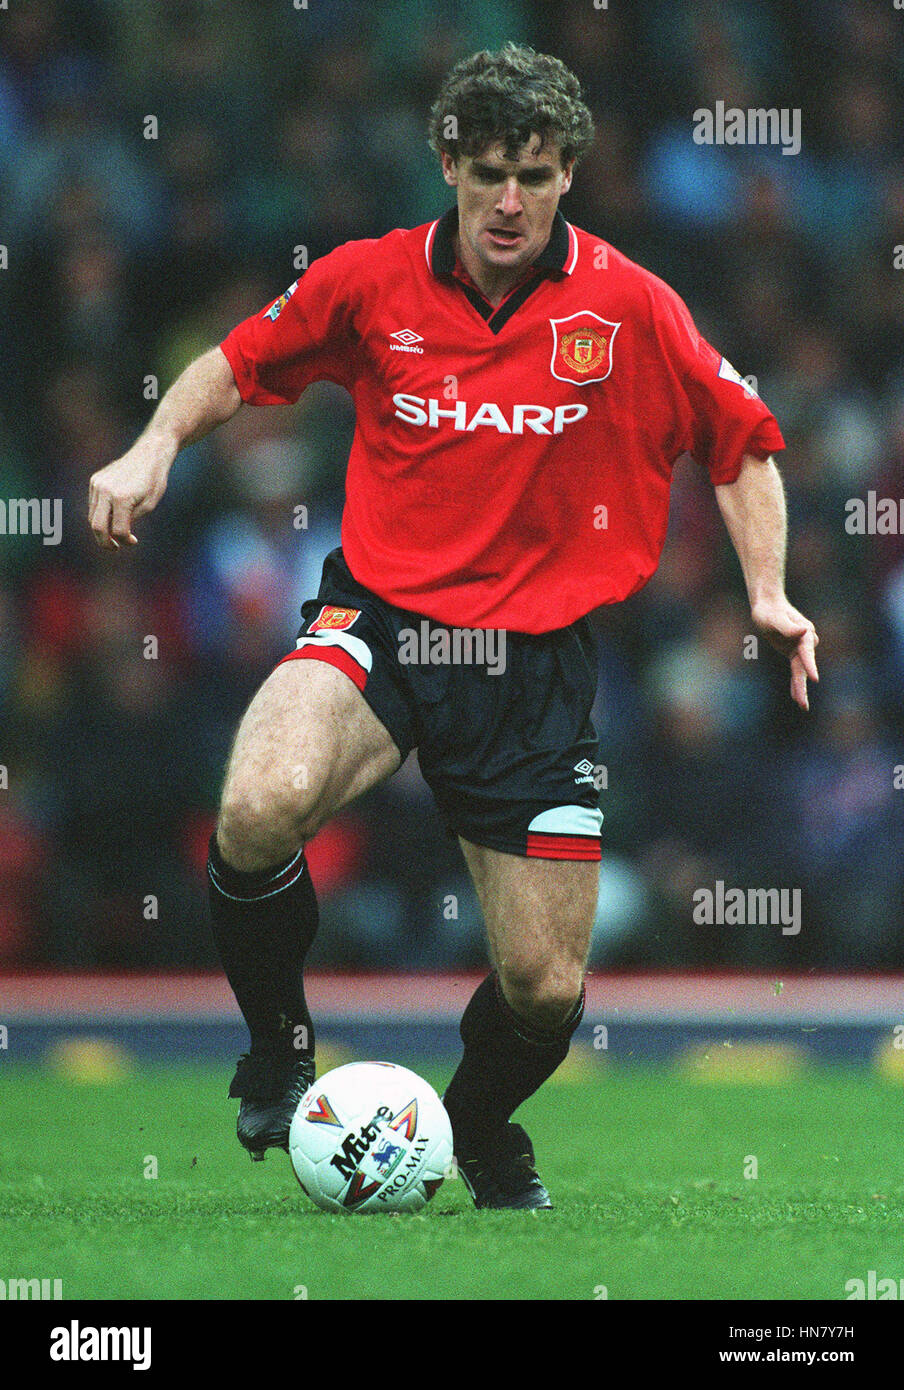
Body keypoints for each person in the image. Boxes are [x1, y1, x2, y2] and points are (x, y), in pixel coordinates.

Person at [87, 44, 818, 1210]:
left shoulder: (630, 307)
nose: (509, 200)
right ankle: (279, 1046)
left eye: (533, 172)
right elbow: (234, 363)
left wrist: (770, 593)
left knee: (541, 988)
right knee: (256, 800)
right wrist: (151, 444)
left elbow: (743, 439)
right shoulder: (369, 280)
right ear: (448, 166)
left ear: (570, 170)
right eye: (486, 174)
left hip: (533, 666)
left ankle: (472, 1126)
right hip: (381, 617)